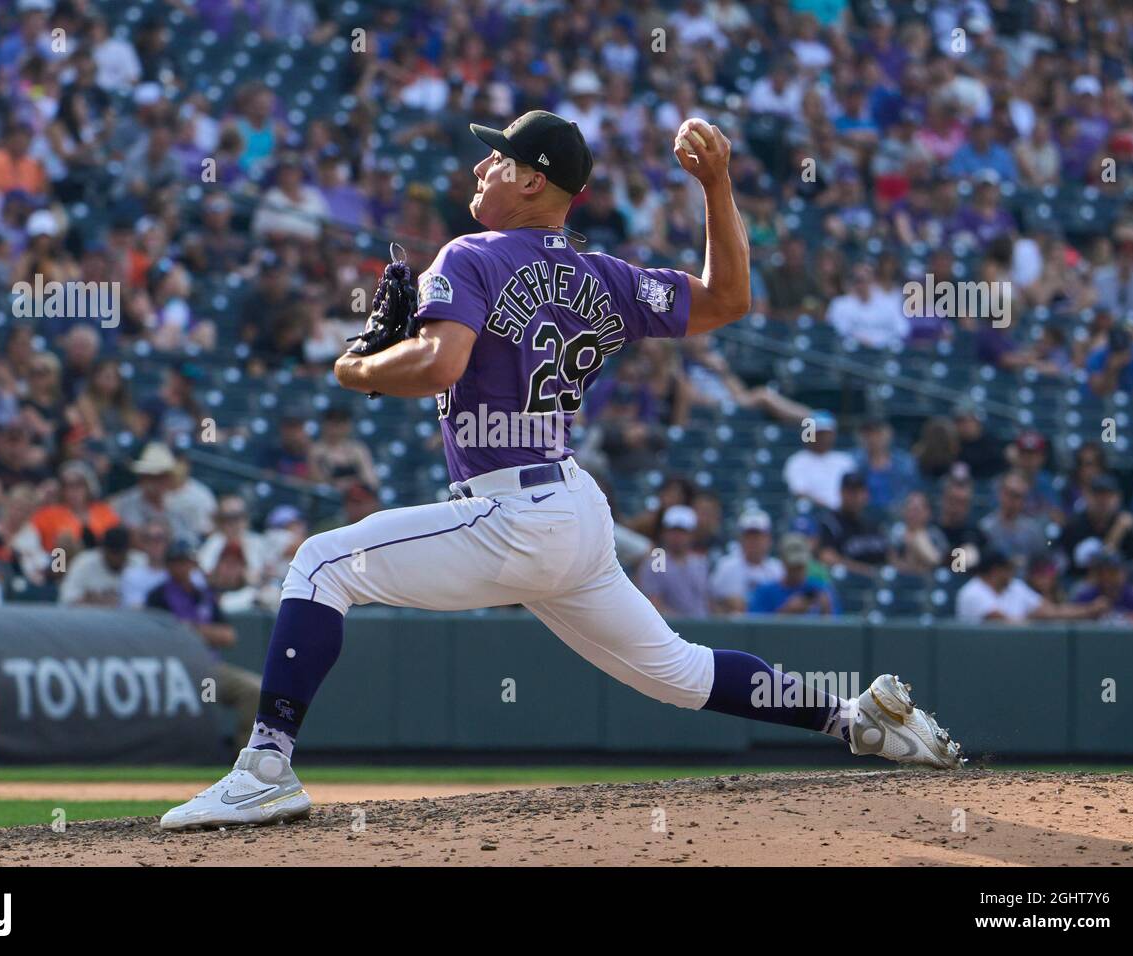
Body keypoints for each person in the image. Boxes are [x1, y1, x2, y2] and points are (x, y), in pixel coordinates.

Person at [163, 111, 960, 831]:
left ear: (533, 179)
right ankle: (858, 719)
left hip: (515, 512)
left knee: (320, 562)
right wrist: (716, 185)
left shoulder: (471, 253)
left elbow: (440, 366)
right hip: (573, 510)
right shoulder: (604, 273)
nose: (481, 170)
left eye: (497, 160)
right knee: (680, 672)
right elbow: (727, 300)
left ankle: (265, 768)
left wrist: (358, 369)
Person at [146, 542, 261, 752]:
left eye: (187, 562)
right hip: (175, 669)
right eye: (178, 563)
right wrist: (204, 633)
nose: (183, 567)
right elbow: (163, 636)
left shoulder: (204, 594)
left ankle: (244, 759)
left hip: (209, 667)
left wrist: (193, 630)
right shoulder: (158, 595)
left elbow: (229, 636)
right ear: (169, 566)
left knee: (255, 690)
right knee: (197, 700)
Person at [956, 547, 1107, 624]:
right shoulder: (972, 592)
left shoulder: (1014, 586)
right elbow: (1002, 624)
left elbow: (1051, 611)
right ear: (996, 571)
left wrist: (1088, 610)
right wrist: (1033, 618)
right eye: (1009, 568)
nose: (1013, 572)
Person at [1059, 473, 1133, 578]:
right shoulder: (1075, 525)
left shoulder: (1124, 522)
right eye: (1098, 495)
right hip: (1081, 582)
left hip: (1121, 583)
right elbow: (1092, 572)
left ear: (1118, 498)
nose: (1103, 501)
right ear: (1087, 496)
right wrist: (1116, 534)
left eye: (1108, 496)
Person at [636, 505, 711, 618]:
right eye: (673, 531)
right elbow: (654, 602)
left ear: (692, 534)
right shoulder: (658, 559)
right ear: (664, 533)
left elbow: (708, 601)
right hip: (670, 627)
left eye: (682, 532)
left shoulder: (700, 562)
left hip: (702, 625)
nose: (677, 537)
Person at [816, 472, 890, 577]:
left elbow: (890, 556)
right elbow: (827, 557)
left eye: (859, 491)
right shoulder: (831, 522)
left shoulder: (874, 522)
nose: (855, 497)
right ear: (841, 493)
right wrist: (865, 571)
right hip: (847, 586)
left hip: (877, 583)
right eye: (851, 492)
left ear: (866, 494)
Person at [709, 508, 782, 614]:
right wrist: (726, 604)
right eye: (749, 536)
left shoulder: (777, 569)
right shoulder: (725, 567)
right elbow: (710, 602)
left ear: (768, 539)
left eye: (757, 536)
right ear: (740, 538)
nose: (753, 541)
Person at [748, 534, 839, 616]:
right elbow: (754, 630)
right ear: (783, 562)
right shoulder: (765, 592)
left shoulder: (821, 590)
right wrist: (786, 612)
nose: (797, 571)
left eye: (800, 566)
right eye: (793, 566)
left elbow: (838, 628)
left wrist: (826, 612)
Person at [781, 410, 856, 510]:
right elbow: (799, 493)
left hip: (844, 514)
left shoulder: (845, 460)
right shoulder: (797, 461)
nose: (822, 437)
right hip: (814, 514)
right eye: (818, 433)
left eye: (826, 433)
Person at [59, 525, 145, 606]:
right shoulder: (84, 562)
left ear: (127, 551)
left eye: (119, 552)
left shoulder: (141, 562)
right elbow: (66, 598)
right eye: (112, 552)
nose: (115, 558)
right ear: (102, 549)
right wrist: (89, 601)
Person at [978, 472, 1049, 569]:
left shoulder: (1033, 530)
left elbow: (1041, 563)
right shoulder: (985, 527)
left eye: (1018, 496)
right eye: (1009, 494)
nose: (1012, 500)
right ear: (1000, 494)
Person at [1071, 551, 1133, 623]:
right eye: (1102, 573)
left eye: (1112, 573)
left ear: (1123, 574)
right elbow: (1068, 621)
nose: (1107, 578)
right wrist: (1089, 611)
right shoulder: (1087, 595)